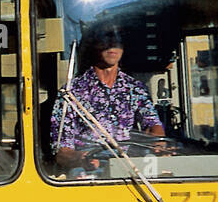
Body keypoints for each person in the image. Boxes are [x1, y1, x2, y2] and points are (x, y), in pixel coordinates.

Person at [49, 26, 165, 168]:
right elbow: (61, 151)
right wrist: (82, 159)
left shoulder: (135, 88)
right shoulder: (71, 92)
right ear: (93, 44)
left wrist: (159, 143)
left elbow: (153, 123)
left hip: (132, 171)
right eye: (106, 37)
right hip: (87, 176)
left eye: (118, 39)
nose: (112, 44)